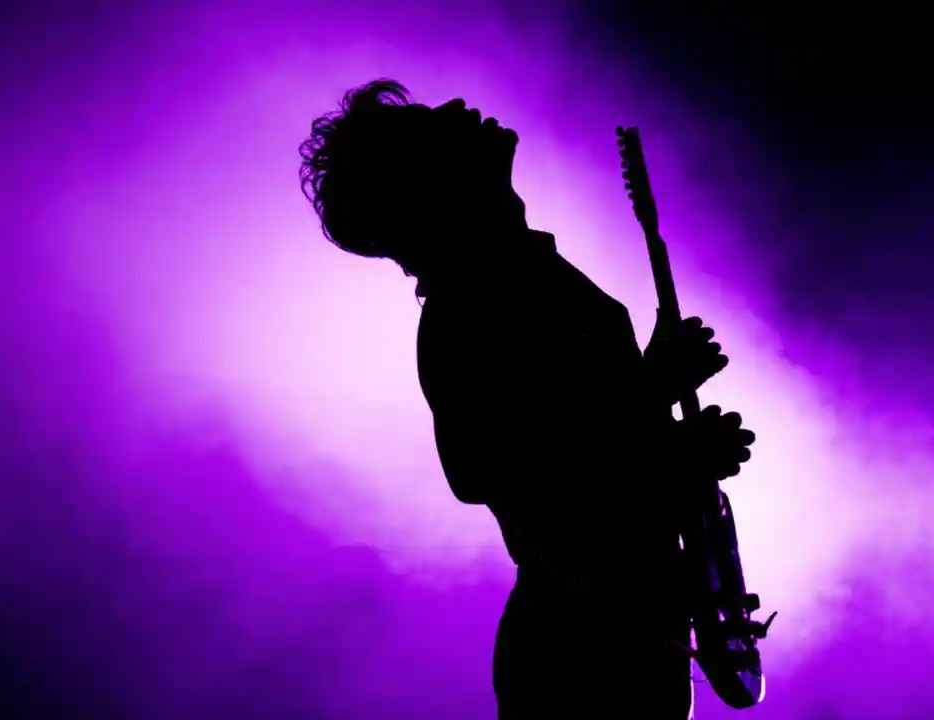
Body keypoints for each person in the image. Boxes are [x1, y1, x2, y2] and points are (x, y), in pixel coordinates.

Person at [300, 79, 755, 719]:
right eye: (437, 127)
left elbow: (576, 448)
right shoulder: (470, 305)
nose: (459, 109)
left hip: (614, 638)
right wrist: (652, 395)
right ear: (430, 187)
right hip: (583, 655)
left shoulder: (517, 275)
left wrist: (671, 440)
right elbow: (509, 480)